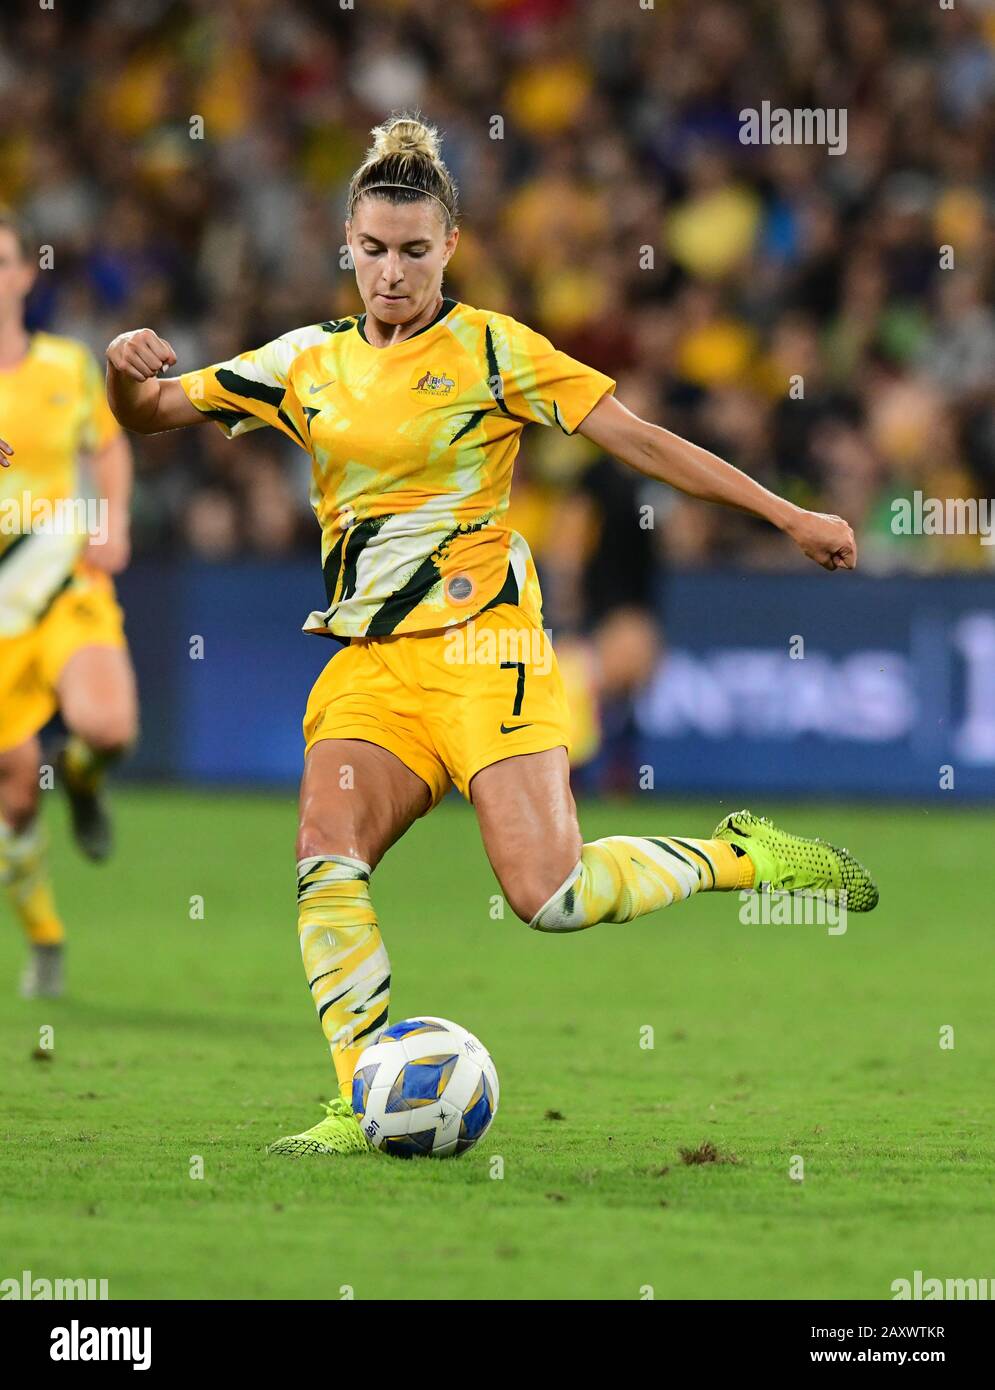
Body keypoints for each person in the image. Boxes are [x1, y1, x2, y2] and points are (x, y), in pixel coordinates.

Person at [104, 115, 878, 1158]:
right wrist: (122, 366)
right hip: (370, 668)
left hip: (485, 654)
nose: (391, 273)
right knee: (325, 861)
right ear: (346, 241)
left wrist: (786, 515)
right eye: (373, 250)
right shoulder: (302, 363)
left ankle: (737, 855)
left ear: (448, 248)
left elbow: (638, 439)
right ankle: (359, 1093)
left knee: (549, 897)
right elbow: (149, 411)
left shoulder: (493, 351)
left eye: (413, 252)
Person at [0, 216, 138, 998]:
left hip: (67, 584)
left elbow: (109, 443)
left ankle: (83, 777)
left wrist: (111, 519)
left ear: (24, 276)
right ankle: (46, 938)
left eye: (2, 262)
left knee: (109, 726)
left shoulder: (67, 364)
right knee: (15, 794)